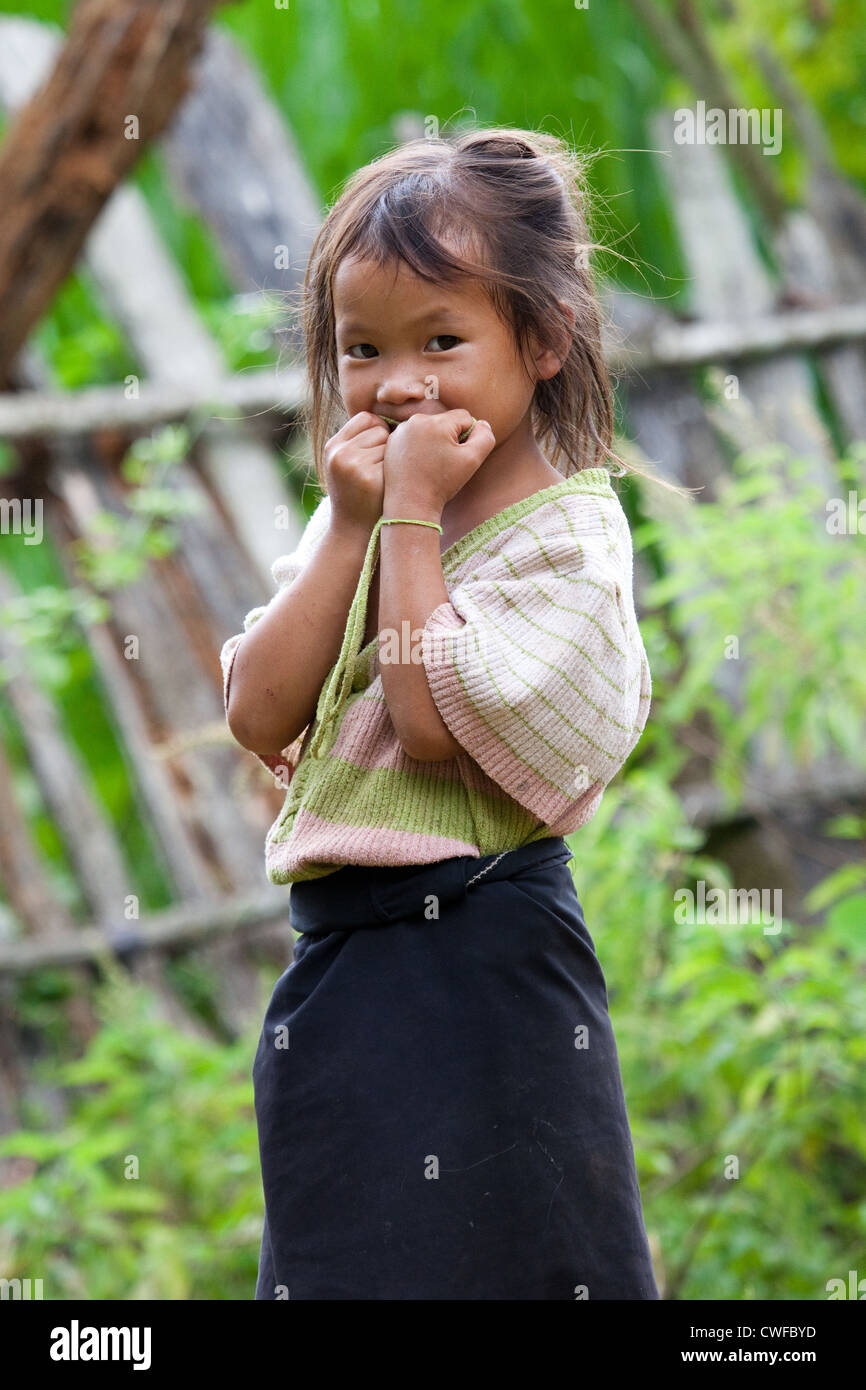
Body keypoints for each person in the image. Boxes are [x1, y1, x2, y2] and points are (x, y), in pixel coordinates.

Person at [221, 125, 660, 1300]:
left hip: (484, 971)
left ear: (544, 339)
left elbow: (429, 722)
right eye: (363, 348)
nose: (399, 381)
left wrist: (407, 518)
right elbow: (256, 704)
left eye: (442, 340)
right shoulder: (358, 516)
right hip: (344, 974)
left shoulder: (567, 537)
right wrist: (360, 524)